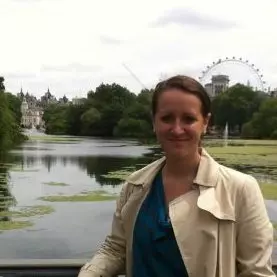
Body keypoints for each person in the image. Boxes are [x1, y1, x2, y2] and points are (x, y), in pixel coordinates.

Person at [78, 75, 275, 277]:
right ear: (154, 122)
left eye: (189, 119)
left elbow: (256, 273)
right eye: (167, 118)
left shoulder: (240, 189)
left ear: (205, 123)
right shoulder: (135, 185)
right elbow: (116, 249)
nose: (177, 129)